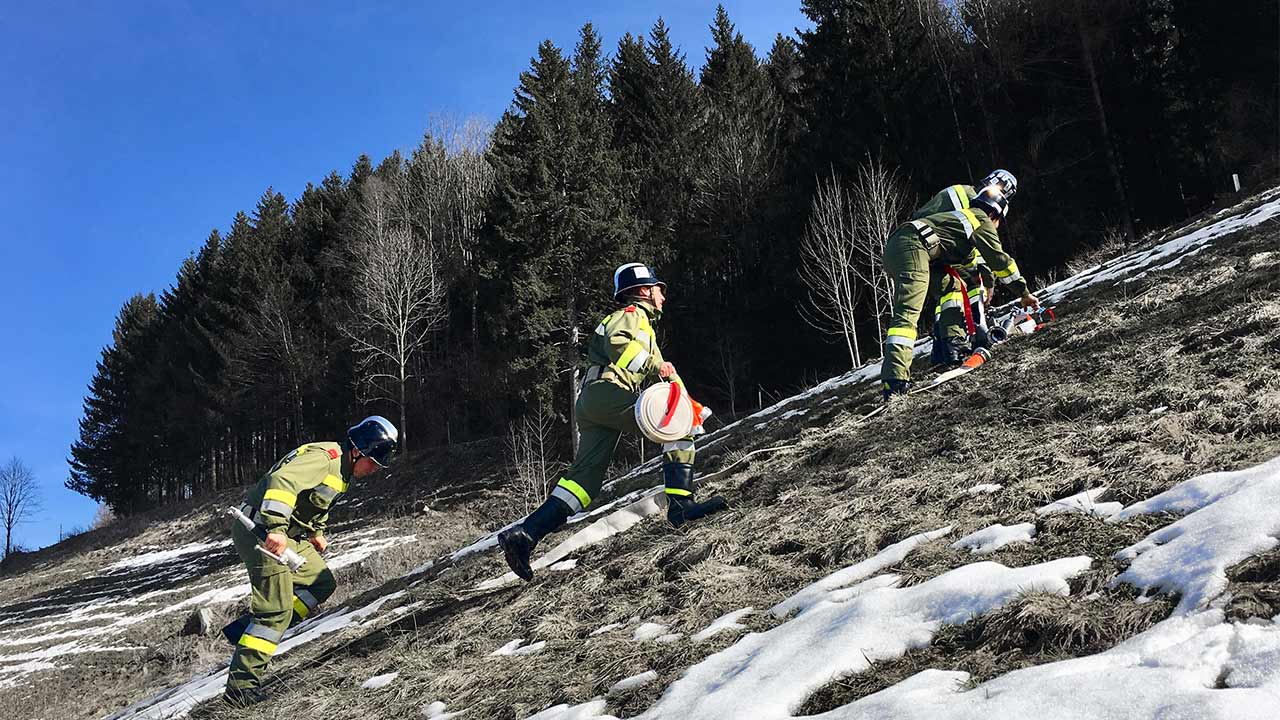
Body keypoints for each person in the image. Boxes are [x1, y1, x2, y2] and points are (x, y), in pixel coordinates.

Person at [497, 263, 728, 582]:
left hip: (593, 402)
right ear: (645, 290)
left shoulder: (645, 327)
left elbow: (666, 373)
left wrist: (688, 401)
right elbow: (621, 346)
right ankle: (681, 509)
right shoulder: (631, 316)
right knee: (678, 428)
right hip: (608, 392)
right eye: (658, 287)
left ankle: (523, 536)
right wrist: (657, 373)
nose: (663, 294)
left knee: (582, 485)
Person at [222, 416, 398, 707]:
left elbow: (316, 502)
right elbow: (282, 482)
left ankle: (249, 630)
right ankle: (240, 689)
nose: (376, 469)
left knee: (321, 583)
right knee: (274, 614)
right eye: (374, 462)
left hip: (290, 535)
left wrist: (316, 532)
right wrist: (276, 528)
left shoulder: (342, 469)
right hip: (262, 531)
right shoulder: (325, 458)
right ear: (359, 450)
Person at [880, 185, 1039, 401]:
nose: (998, 227)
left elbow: (971, 268)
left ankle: (952, 348)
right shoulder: (980, 219)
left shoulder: (961, 222)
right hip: (911, 246)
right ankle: (895, 381)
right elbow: (1000, 261)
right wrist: (1024, 292)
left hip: (909, 246)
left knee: (951, 287)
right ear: (994, 213)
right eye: (999, 222)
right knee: (907, 313)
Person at [914, 170, 1019, 356]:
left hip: (922, 246)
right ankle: (969, 337)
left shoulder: (959, 191)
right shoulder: (974, 202)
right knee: (970, 284)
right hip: (935, 247)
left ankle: (943, 346)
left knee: (948, 292)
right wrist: (988, 281)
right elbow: (979, 246)